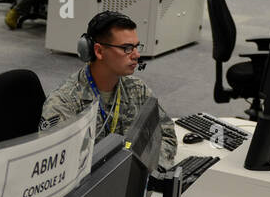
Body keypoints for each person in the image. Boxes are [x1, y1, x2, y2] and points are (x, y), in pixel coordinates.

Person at [40, 10, 178, 169]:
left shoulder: (137, 89)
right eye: (127, 48)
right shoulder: (64, 103)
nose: (136, 55)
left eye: (136, 46)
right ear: (98, 51)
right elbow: (55, 169)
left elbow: (166, 135)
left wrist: (144, 169)